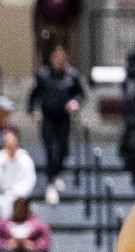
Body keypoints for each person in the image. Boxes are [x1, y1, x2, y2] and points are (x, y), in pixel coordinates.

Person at [28, 47, 84, 203]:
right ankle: (50, 183)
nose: (59, 61)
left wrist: (76, 102)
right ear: (52, 59)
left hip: (64, 118)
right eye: (56, 58)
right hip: (48, 117)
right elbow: (34, 95)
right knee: (50, 149)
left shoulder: (72, 75)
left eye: (62, 58)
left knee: (63, 149)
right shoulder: (43, 74)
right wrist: (33, 110)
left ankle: (57, 174)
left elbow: (80, 94)